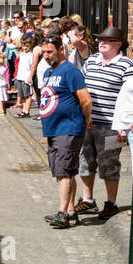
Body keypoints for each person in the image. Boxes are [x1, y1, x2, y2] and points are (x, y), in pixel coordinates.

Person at [74, 25, 133, 221]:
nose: (101, 42)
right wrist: (83, 115)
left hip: (111, 126)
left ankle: (111, 203)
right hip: (88, 123)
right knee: (85, 162)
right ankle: (88, 200)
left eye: (107, 40)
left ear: (118, 44)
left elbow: (132, 97)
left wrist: (123, 125)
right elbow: (81, 86)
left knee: (109, 164)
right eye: (101, 39)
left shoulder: (127, 66)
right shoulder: (92, 60)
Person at [39, 36, 93, 228]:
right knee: (65, 172)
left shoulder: (70, 71)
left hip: (68, 128)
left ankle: (61, 213)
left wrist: (86, 119)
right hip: (53, 129)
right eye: (44, 52)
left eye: (50, 52)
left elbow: (85, 100)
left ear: (60, 49)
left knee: (64, 171)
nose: (46, 56)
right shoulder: (48, 71)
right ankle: (70, 211)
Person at [14, 31, 38, 117]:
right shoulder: (22, 54)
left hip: (26, 78)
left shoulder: (31, 55)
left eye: (27, 46)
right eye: (23, 45)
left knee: (28, 95)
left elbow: (32, 67)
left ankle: (26, 111)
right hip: (20, 77)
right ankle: (23, 110)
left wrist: (30, 77)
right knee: (22, 95)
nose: (24, 47)